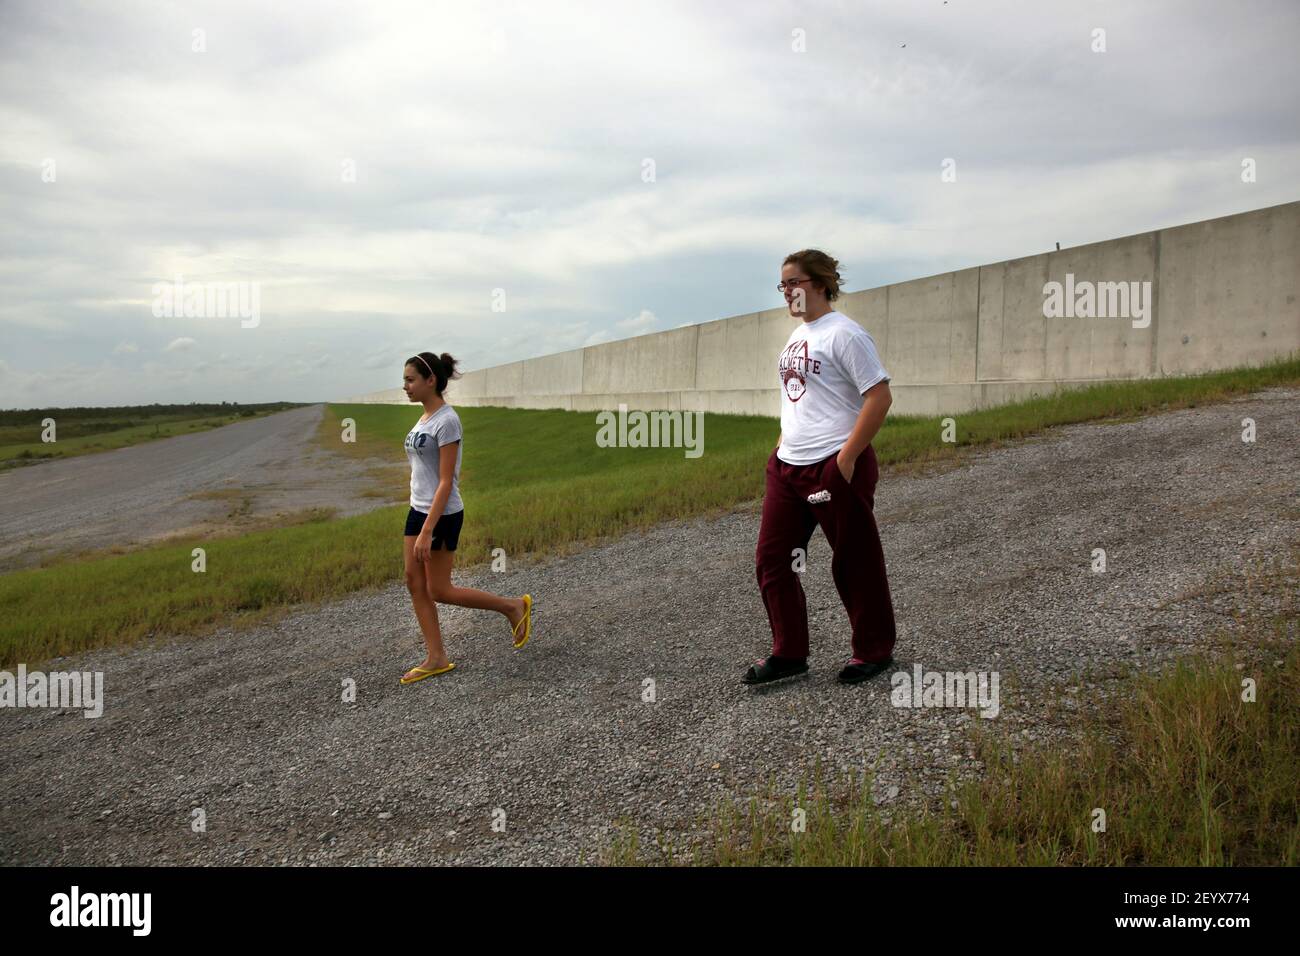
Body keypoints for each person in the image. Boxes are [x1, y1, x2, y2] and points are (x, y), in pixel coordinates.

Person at [747, 251, 897, 686]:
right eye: (782, 285)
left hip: (832, 465)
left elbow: (879, 396)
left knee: (853, 560)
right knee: (773, 561)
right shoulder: (797, 336)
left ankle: (873, 650)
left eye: (793, 282)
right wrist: (779, 449)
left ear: (820, 283)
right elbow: (799, 399)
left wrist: (847, 458)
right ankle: (789, 653)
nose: (787, 292)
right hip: (788, 467)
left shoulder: (845, 334)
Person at [398, 350, 533, 684]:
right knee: (413, 582)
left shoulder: (447, 420)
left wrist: (429, 528)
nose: (405, 386)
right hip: (418, 509)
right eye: (404, 380)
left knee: (439, 589)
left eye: (411, 379)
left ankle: (513, 606)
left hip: (440, 514)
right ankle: (436, 657)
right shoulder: (424, 419)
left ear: (431, 380)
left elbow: (446, 480)